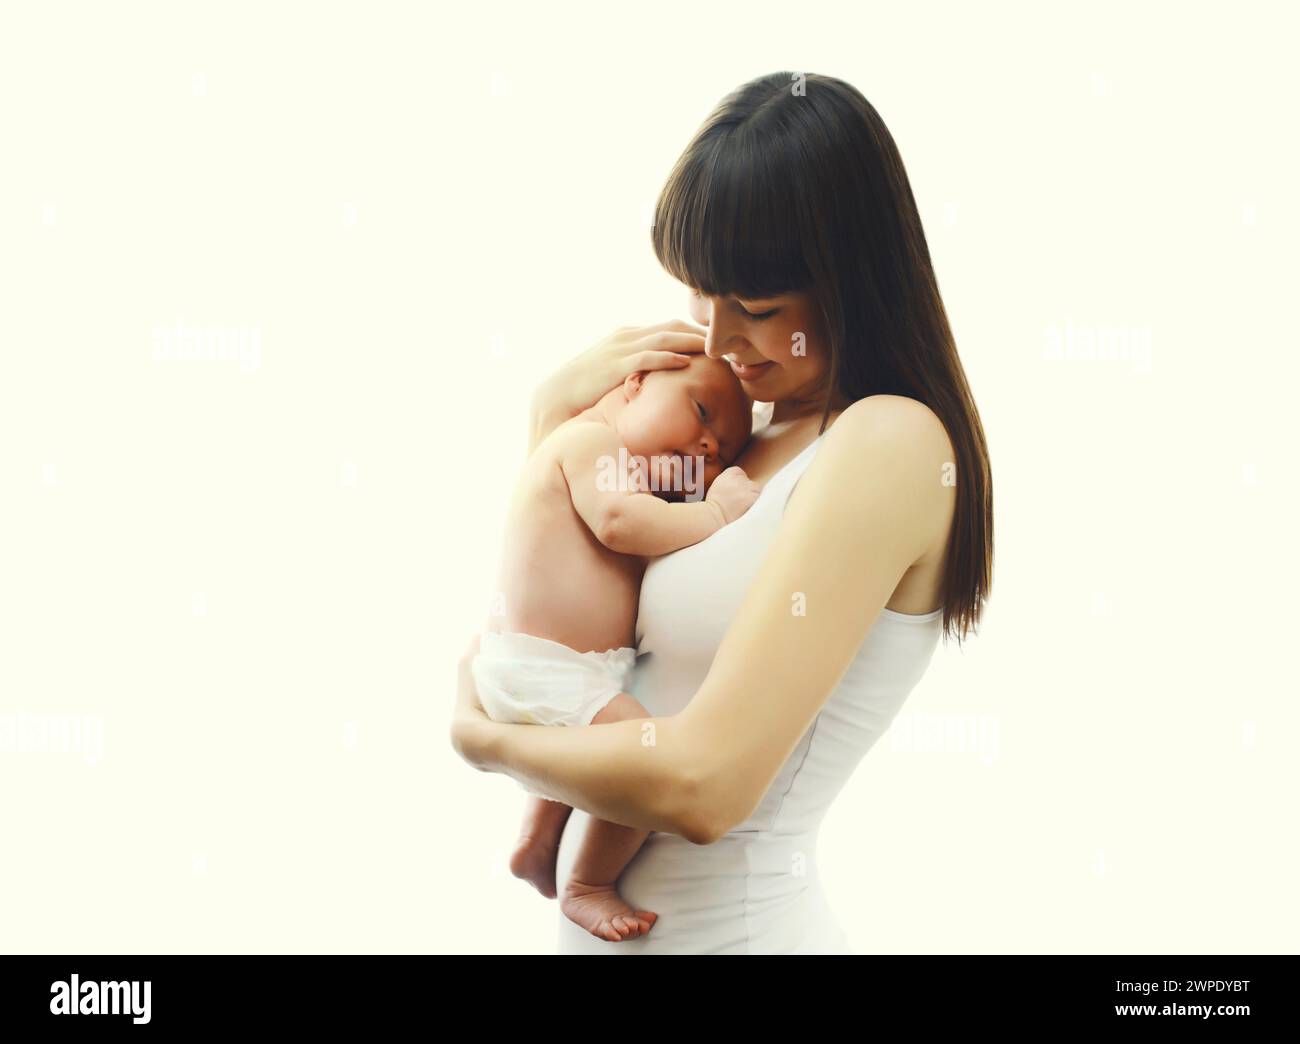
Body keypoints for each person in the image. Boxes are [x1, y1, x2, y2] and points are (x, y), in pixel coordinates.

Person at [452, 70, 993, 953]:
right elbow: (564, 621)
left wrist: (483, 741)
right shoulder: (742, 436)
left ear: (849, 284)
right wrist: (552, 430)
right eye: (700, 294)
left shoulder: (888, 443)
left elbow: (702, 788)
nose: (715, 342)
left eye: (754, 308)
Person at [471, 354, 756, 942]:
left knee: (582, 748)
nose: (706, 445)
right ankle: (587, 884)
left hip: (558, 669)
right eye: (701, 412)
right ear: (635, 382)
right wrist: (718, 511)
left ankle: (537, 840)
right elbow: (620, 522)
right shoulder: (588, 443)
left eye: (721, 452)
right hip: (543, 667)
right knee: (641, 760)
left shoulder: (633, 467)